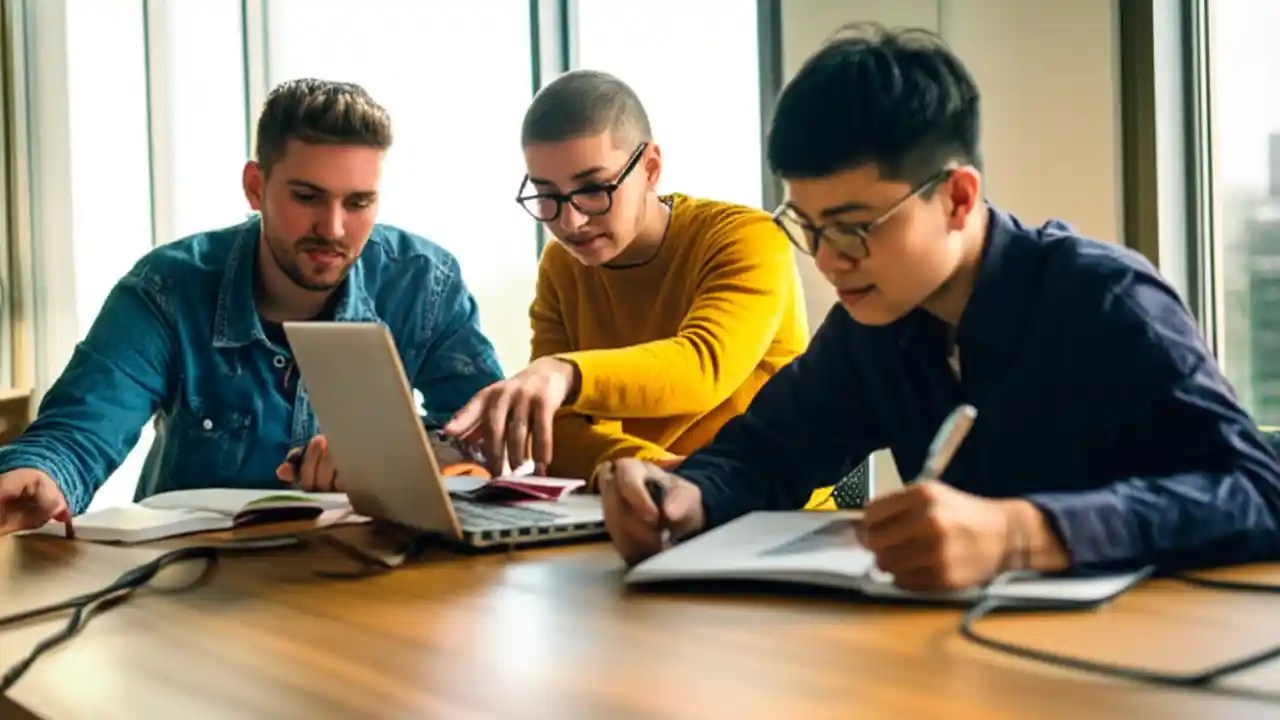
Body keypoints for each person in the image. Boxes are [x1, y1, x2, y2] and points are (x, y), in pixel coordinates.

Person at [597, 23, 1280, 590]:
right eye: (807, 226)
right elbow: (769, 450)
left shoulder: (1104, 301)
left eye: (855, 225)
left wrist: (1022, 533)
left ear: (956, 196)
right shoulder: (874, 323)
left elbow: (1259, 491)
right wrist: (689, 498)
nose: (830, 259)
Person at [0, 78, 503, 535]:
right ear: (255, 187)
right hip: (196, 583)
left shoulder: (423, 283)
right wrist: (39, 475)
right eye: (307, 197)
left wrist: (393, 459)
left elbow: (483, 440)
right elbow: (82, 426)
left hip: (372, 577)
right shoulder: (167, 287)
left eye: (357, 203)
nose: (332, 228)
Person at [443, 70, 808, 480]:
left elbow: (702, 366)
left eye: (595, 188)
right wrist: (656, 473)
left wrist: (566, 373)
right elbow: (557, 428)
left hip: (768, 510)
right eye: (547, 196)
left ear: (650, 168)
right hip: (639, 503)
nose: (571, 221)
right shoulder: (562, 264)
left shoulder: (746, 238)